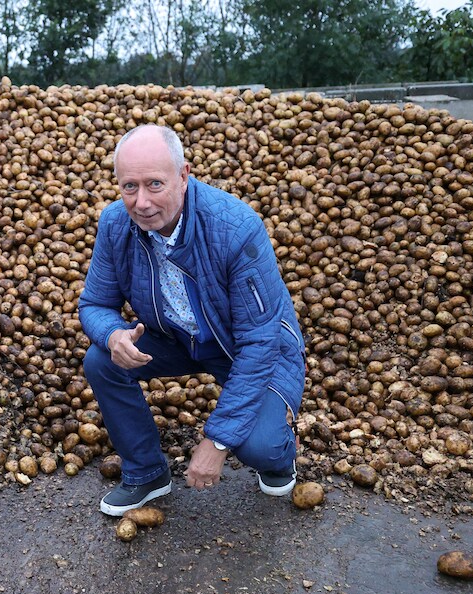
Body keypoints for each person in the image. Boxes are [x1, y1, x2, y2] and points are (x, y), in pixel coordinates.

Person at [78, 125, 306, 517]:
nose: (142, 202)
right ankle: (147, 473)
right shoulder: (115, 224)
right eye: (129, 186)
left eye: (154, 184)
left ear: (184, 176)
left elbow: (260, 342)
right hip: (177, 338)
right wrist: (113, 333)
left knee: (259, 447)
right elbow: (95, 303)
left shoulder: (235, 228)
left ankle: (281, 456)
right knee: (101, 360)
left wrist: (216, 441)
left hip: (246, 347)